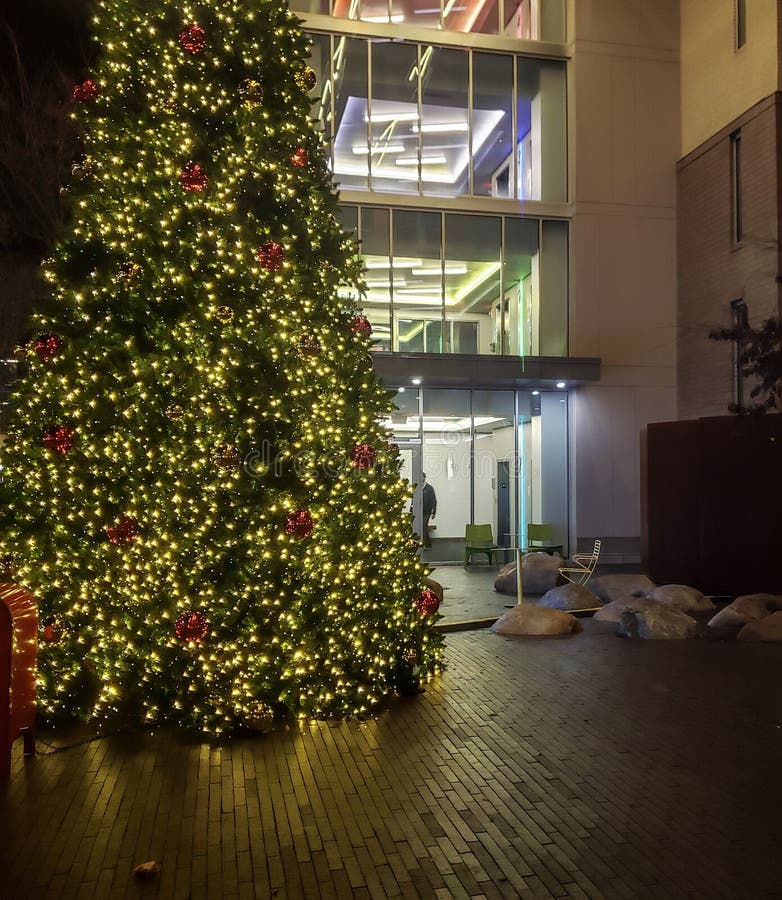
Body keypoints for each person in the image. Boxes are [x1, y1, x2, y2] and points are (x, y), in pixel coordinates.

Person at [421, 473, 437, 548]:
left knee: (424, 526)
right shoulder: (417, 488)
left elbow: (433, 500)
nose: (421, 478)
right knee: (421, 527)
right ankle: (427, 543)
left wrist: (433, 512)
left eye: (423, 477)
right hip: (418, 511)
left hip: (427, 511)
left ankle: (426, 544)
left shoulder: (429, 488)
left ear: (425, 478)